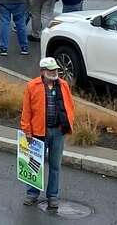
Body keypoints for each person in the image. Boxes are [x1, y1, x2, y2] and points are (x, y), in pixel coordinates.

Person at [21, 58, 75, 209]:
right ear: (42, 72)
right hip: (38, 132)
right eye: (50, 70)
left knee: (55, 165)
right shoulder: (32, 86)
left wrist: (68, 124)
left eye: (55, 70)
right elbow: (26, 111)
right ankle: (32, 194)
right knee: (34, 165)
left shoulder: (63, 85)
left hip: (58, 131)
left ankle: (53, 196)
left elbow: (70, 105)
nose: (54, 72)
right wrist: (27, 131)